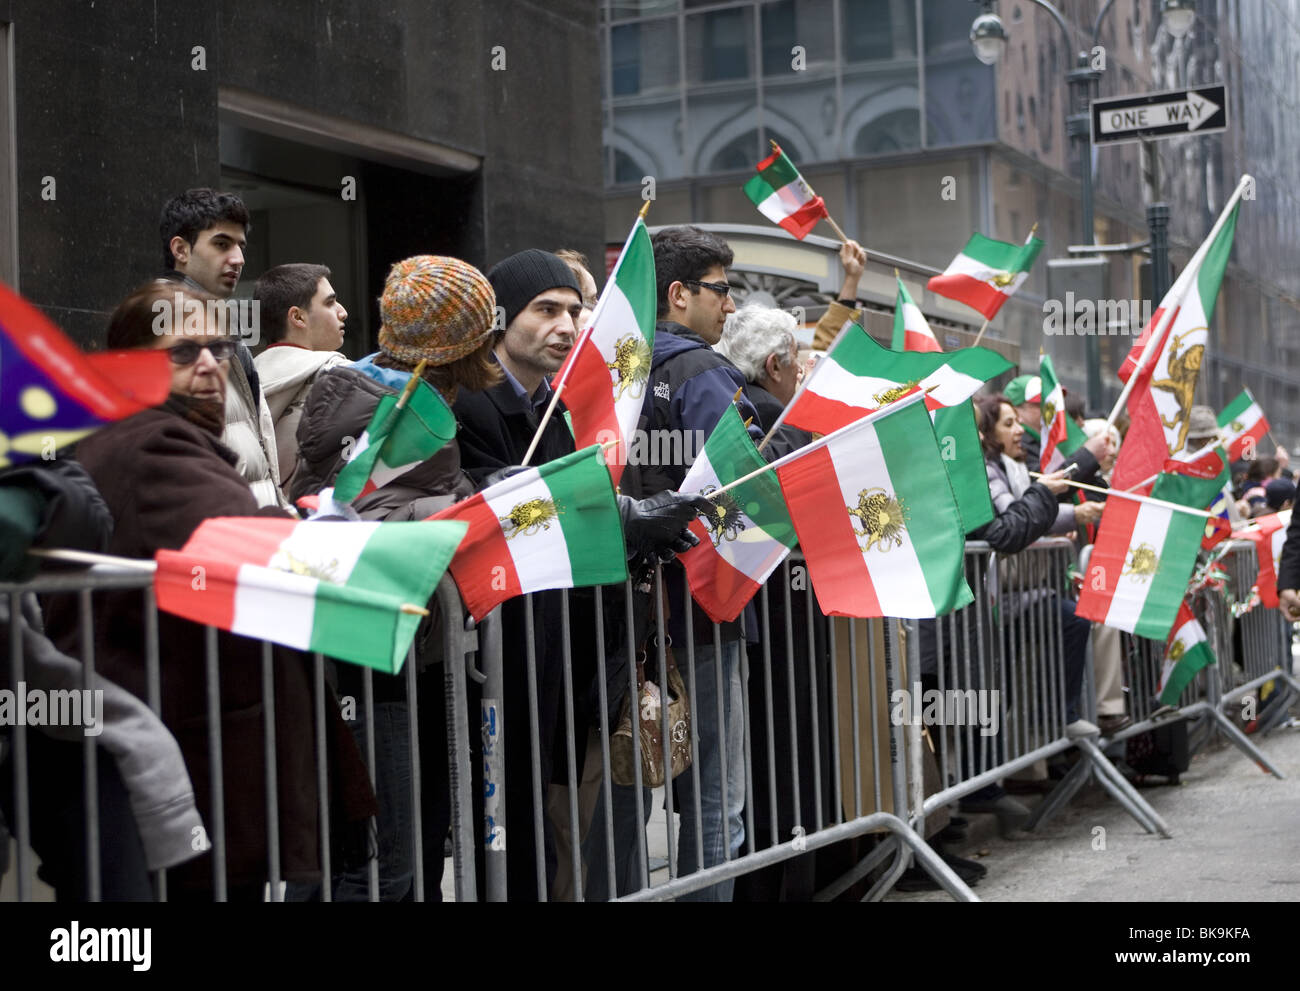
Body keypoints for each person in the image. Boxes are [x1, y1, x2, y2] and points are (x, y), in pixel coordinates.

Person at [44, 280, 373, 899]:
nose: (207, 366)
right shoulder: (153, 443)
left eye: (218, 349)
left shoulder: (134, 434)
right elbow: (252, 542)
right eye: (181, 353)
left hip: (170, 754)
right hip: (189, 762)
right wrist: (316, 529)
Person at [610, 225, 764, 902]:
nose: (730, 307)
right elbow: (742, 489)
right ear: (678, 294)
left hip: (626, 607)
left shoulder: (615, 364)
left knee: (628, 794)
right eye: (721, 290)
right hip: (700, 609)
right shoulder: (703, 371)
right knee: (713, 798)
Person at [950, 394, 1101, 835]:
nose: (1019, 431)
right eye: (1006, 423)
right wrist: (1076, 466)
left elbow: (1023, 514)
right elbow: (1006, 527)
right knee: (962, 697)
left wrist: (1056, 495)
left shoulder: (1006, 467)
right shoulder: (981, 471)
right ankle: (968, 794)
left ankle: (986, 782)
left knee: (989, 689)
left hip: (998, 601)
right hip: (981, 603)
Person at [158, 188, 286, 508]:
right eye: (221, 244)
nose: (238, 259)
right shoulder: (163, 331)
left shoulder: (223, 329)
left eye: (240, 246)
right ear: (181, 250)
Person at [252, 263, 351, 486]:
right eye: (330, 302)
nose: (342, 312)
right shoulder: (343, 376)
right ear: (298, 317)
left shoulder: (243, 382)